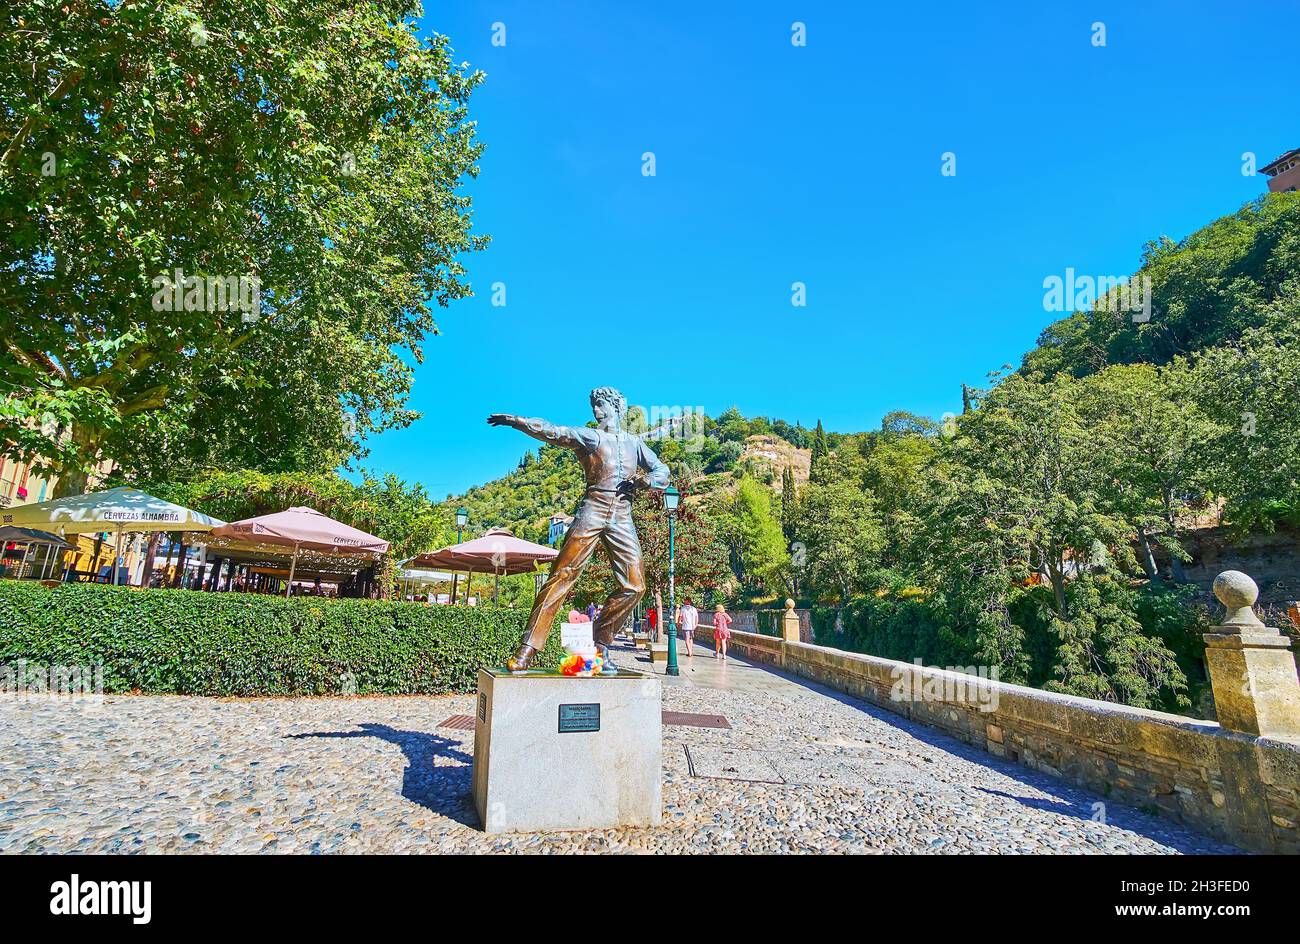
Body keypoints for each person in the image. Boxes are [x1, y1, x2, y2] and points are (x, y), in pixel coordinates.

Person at [488, 387, 671, 673]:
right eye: (594, 406)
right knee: (562, 575)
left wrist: (646, 482)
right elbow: (552, 431)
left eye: (600, 405)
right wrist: (518, 421)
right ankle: (527, 648)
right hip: (592, 510)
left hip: (622, 515)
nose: (596, 411)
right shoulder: (590, 437)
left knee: (635, 586)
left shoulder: (635, 444)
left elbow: (662, 471)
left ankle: (599, 645)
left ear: (616, 407)